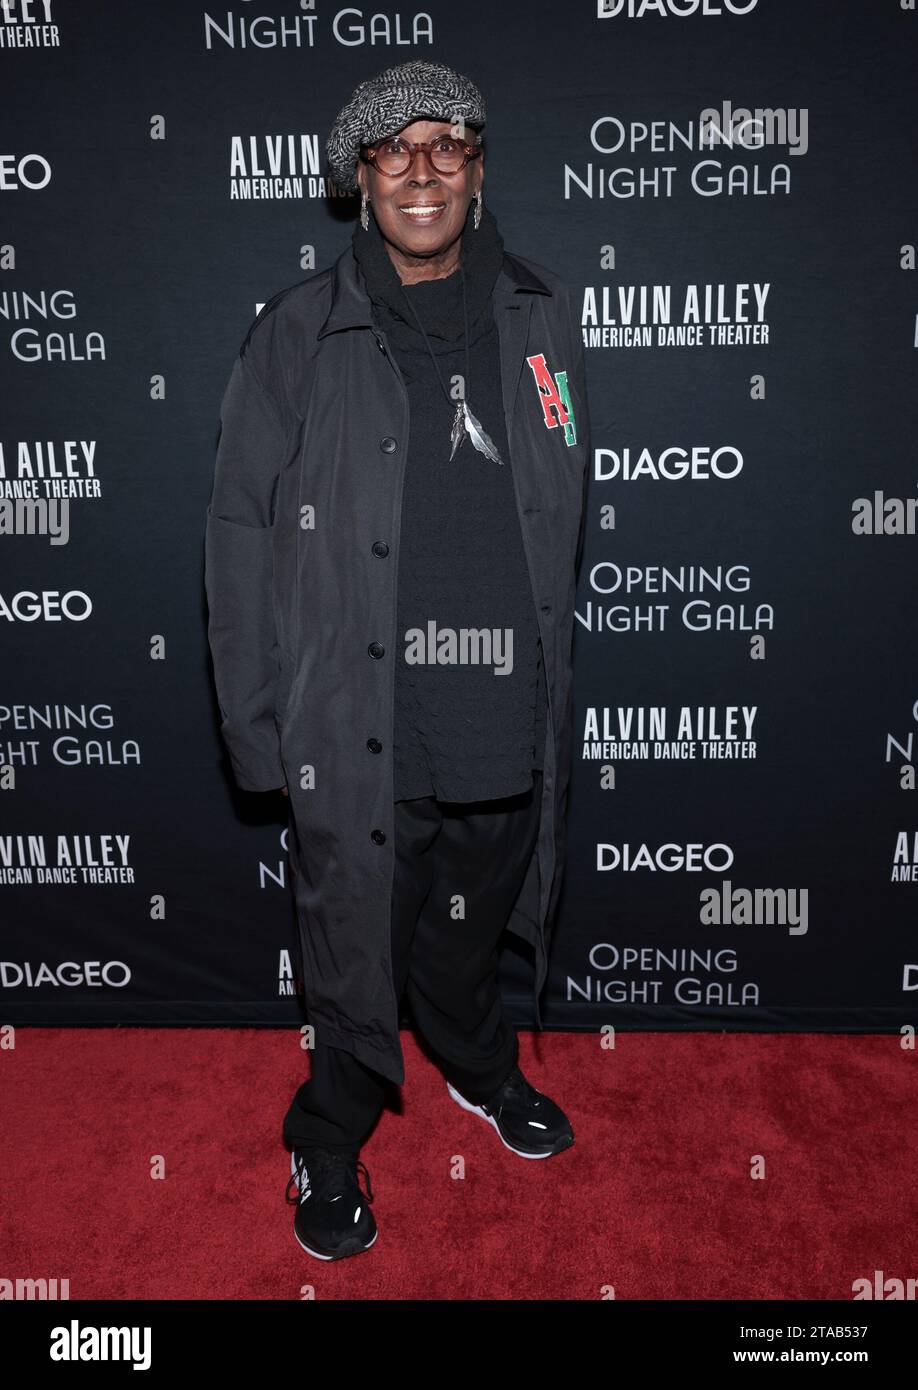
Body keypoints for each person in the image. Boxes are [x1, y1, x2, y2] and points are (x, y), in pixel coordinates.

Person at [204, 59, 591, 1262]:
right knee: (350, 946)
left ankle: (479, 1061)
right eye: (393, 149)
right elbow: (236, 531)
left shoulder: (538, 312)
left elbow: (557, 509)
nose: (421, 168)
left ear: (476, 169)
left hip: (500, 713)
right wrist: (259, 723)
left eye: (447, 144)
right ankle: (330, 1129)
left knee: (468, 930)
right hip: (355, 716)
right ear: (359, 179)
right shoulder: (296, 336)